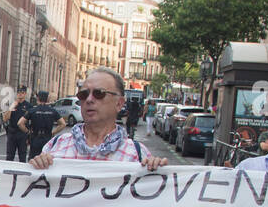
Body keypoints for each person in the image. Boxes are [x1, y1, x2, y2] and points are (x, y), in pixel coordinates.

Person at [29, 68, 168, 171]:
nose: (89, 99)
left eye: (99, 93)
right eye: (83, 94)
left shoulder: (137, 154)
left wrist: (156, 171)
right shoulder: (55, 146)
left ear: (119, 104)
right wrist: (37, 166)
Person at [20, 91, 60, 157]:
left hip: (35, 138)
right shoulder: (52, 111)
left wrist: (28, 132)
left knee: (33, 159)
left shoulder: (32, 110)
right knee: (45, 159)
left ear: (38, 99)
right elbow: (63, 124)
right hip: (47, 138)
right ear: (47, 99)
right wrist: (53, 132)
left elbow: (20, 123)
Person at [5, 85, 32, 162]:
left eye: (22, 92)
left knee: (22, 157)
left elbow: (31, 121)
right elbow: (5, 118)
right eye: (19, 92)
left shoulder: (28, 106)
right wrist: (11, 107)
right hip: (12, 133)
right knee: (9, 157)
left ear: (25, 94)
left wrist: (29, 135)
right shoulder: (12, 104)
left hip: (22, 134)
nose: (20, 94)